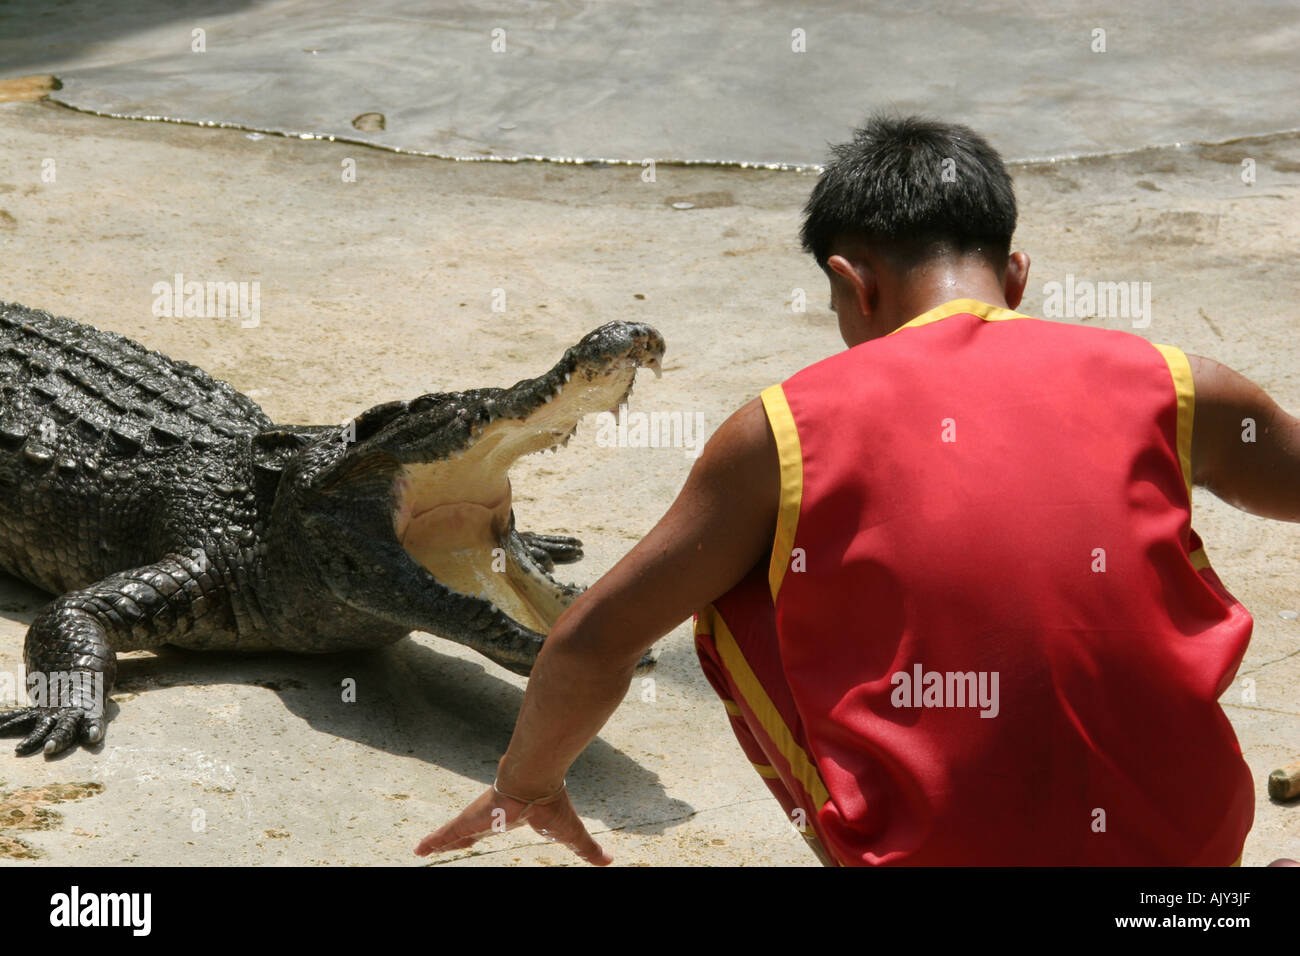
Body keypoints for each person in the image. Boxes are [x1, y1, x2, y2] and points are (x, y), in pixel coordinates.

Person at [415, 114, 1300, 866]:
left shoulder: (781, 427)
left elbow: (591, 640)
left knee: (729, 590)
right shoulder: (1180, 383)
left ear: (852, 284)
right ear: (1017, 277)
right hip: (1192, 855)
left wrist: (525, 786)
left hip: (938, 852)